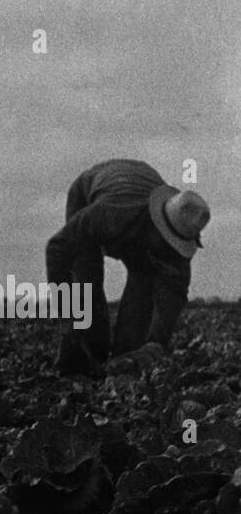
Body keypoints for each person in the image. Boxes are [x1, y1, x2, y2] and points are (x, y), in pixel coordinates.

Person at [48, 159, 210, 374]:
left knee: (144, 280)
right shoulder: (109, 213)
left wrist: (155, 343)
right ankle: (79, 361)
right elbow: (57, 248)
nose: (170, 251)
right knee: (87, 282)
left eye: (175, 245)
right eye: (167, 242)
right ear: (156, 223)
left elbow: (174, 295)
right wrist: (66, 312)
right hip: (90, 192)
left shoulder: (180, 237)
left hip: (137, 193)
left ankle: (119, 362)